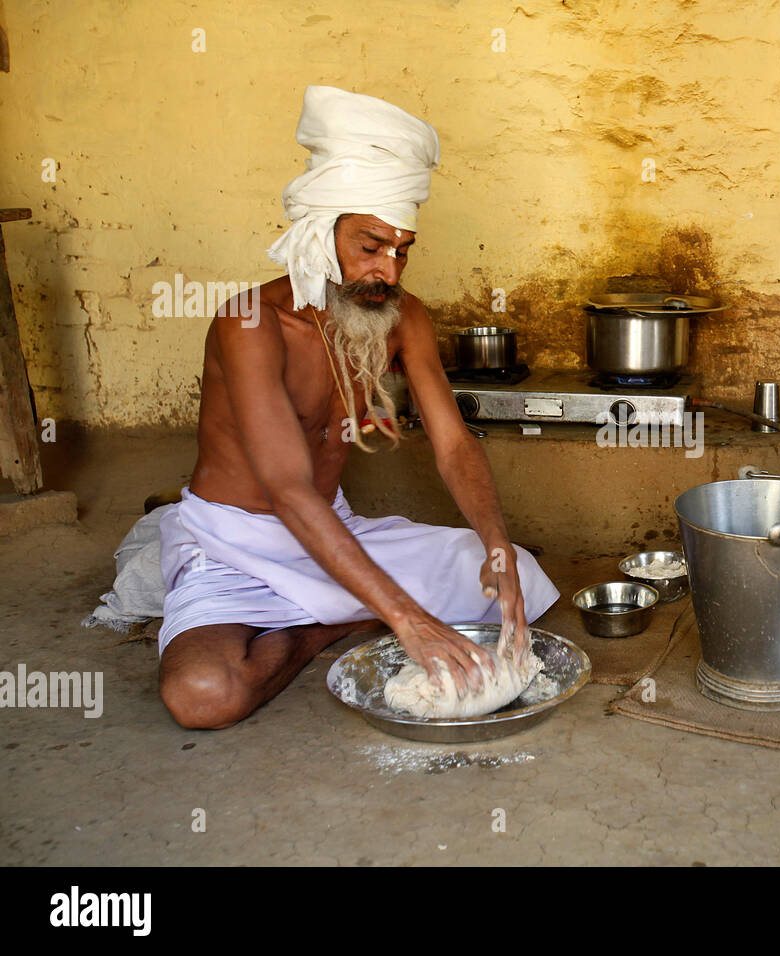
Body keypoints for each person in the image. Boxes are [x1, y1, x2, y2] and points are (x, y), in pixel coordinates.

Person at [157, 86, 559, 729]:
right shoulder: (249, 322)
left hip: (336, 532)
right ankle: (340, 619)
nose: (390, 271)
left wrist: (496, 545)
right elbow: (288, 489)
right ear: (319, 231)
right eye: (371, 246)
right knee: (206, 695)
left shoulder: (402, 316)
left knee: (524, 581)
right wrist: (408, 620)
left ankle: (339, 612)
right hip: (237, 540)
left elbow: (454, 444)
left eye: (403, 250)